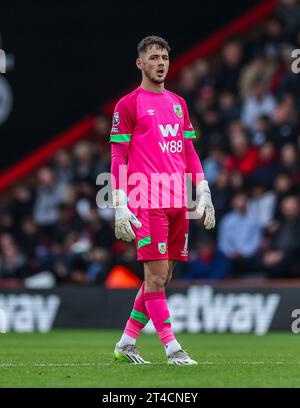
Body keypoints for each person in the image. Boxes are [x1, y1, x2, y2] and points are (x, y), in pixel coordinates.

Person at [110, 36, 215, 365]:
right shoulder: (128, 105)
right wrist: (119, 203)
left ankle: (126, 342)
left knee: (163, 276)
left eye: (165, 57)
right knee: (155, 277)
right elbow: (118, 156)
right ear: (140, 63)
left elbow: (189, 151)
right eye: (154, 57)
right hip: (146, 199)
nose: (161, 63)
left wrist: (205, 192)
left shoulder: (178, 103)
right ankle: (173, 348)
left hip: (178, 201)